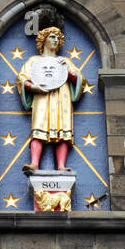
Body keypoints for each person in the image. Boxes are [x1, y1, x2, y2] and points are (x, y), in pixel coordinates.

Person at [18, 25, 90, 175]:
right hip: (42, 95)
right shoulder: (34, 61)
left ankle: (62, 165)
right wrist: (33, 87)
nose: (56, 40)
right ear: (43, 40)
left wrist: (69, 72)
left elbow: (80, 79)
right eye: (52, 37)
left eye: (58, 38)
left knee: (62, 128)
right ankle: (34, 163)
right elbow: (22, 78)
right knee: (39, 127)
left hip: (61, 97)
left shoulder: (64, 61)